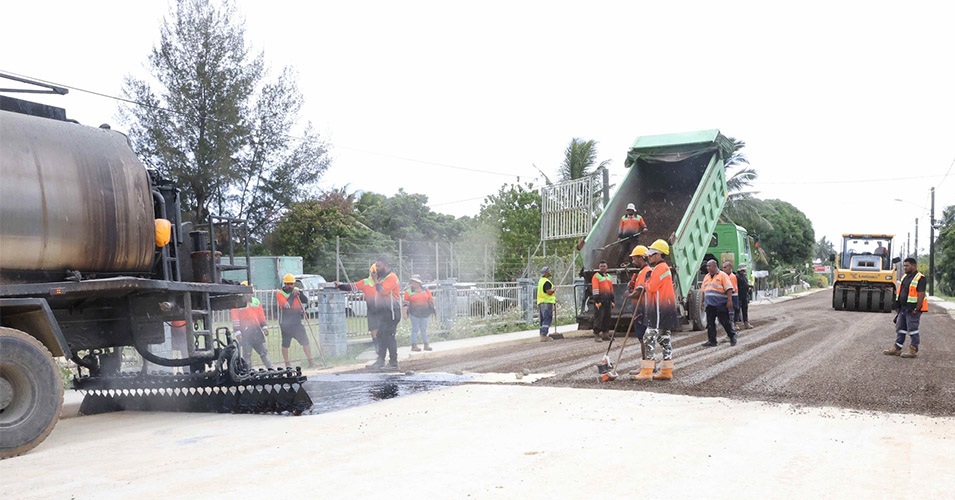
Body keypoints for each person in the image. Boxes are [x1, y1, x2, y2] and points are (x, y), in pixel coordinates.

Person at [632, 240, 677, 381]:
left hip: (659, 308)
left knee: (648, 337)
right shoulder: (664, 268)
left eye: (651, 255)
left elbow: (651, 287)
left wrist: (646, 281)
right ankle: (666, 370)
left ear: (658, 255)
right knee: (664, 339)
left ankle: (647, 371)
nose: (649, 257)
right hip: (666, 307)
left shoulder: (660, 269)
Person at [883, 257, 928, 358]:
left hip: (912, 310)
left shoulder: (920, 278)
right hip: (903, 308)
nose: (905, 268)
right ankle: (897, 348)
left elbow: (921, 295)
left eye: (907, 266)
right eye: (904, 266)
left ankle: (913, 350)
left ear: (913, 266)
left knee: (912, 329)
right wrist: (897, 305)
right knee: (900, 328)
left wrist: (916, 308)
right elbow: (901, 292)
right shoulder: (905, 277)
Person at [335, 266, 380, 354]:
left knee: (382, 330)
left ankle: (382, 348)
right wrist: (340, 285)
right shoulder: (366, 282)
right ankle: (378, 349)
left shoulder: (383, 282)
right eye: (373, 272)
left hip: (383, 308)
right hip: (372, 309)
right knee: (374, 330)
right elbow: (352, 286)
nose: (375, 274)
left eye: (376, 272)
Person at [230, 281, 274, 369]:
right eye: (246, 292)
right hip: (245, 333)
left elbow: (261, 316)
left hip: (257, 331)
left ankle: (271, 369)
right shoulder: (237, 304)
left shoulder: (256, 302)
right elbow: (235, 319)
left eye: (249, 292)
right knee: (247, 355)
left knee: (264, 353)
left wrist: (264, 327)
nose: (248, 294)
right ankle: (248, 373)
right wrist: (238, 333)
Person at [276, 273, 316, 368]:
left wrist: (299, 293)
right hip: (286, 323)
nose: (290, 286)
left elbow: (305, 300)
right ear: (284, 284)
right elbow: (286, 305)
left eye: (292, 284)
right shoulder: (280, 293)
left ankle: (310, 361)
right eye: (288, 284)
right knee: (285, 344)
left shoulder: (296, 292)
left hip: (297, 322)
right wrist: (292, 296)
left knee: (305, 342)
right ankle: (287, 363)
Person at [370, 258, 401, 370]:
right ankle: (380, 361)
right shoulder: (382, 278)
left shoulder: (391, 277)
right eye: (376, 266)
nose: (376, 268)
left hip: (391, 311)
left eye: (378, 266)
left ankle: (393, 363)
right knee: (381, 336)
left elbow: (383, 292)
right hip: (383, 311)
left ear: (386, 265)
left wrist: (375, 281)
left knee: (389, 337)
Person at [624, 245, 650, 375]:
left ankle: (646, 365)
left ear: (641, 257)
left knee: (644, 338)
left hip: (642, 308)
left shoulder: (646, 271)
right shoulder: (641, 272)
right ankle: (647, 364)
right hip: (640, 308)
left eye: (634, 258)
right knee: (643, 338)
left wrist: (629, 294)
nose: (633, 261)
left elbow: (640, 291)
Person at [700, 260, 737, 348]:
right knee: (710, 323)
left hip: (720, 304)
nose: (708, 268)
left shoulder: (723, 275)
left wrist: (729, 300)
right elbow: (703, 290)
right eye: (707, 266)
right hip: (710, 304)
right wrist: (702, 302)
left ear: (715, 266)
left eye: (710, 266)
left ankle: (732, 336)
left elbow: (728, 288)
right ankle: (712, 341)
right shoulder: (707, 277)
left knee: (724, 322)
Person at [403, 274, 435, 352]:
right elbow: (405, 304)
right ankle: (414, 345)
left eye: (415, 282)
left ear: (419, 283)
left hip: (425, 313)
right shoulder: (408, 292)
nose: (414, 283)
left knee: (424, 329)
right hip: (414, 313)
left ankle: (426, 345)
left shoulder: (425, 290)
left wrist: (432, 310)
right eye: (413, 282)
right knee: (415, 329)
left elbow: (430, 300)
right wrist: (405, 313)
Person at [591, 261, 615, 342]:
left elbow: (611, 289)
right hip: (600, 300)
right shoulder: (596, 276)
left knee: (607, 318)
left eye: (604, 266)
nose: (602, 268)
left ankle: (606, 334)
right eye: (601, 266)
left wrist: (612, 299)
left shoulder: (608, 276)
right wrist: (597, 300)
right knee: (599, 317)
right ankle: (597, 334)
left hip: (607, 300)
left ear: (607, 267)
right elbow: (595, 289)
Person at [538, 266, 562, 341]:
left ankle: (542, 334)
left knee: (543, 319)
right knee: (547, 318)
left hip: (541, 302)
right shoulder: (546, 282)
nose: (550, 272)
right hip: (547, 302)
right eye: (549, 271)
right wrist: (553, 290)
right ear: (546, 273)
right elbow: (548, 292)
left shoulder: (541, 281)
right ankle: (544, 335)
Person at [723, 261, 741, 330]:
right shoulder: (726, 276)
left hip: (733, 295)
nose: (723, 269)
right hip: (730, 295)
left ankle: (734, 323)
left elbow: (731, 288)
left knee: (734, 309)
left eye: (725, 267)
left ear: (730, 267)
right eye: (723, 267)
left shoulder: (732, 277)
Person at [736, 264, 752, 329]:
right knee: (737, 310)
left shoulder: (744, 276)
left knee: (745, 310)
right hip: (739, 295)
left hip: (745, 295)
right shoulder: (737, 276)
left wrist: (749, 286)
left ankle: (746, 323)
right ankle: (736, 324)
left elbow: (745, 284)